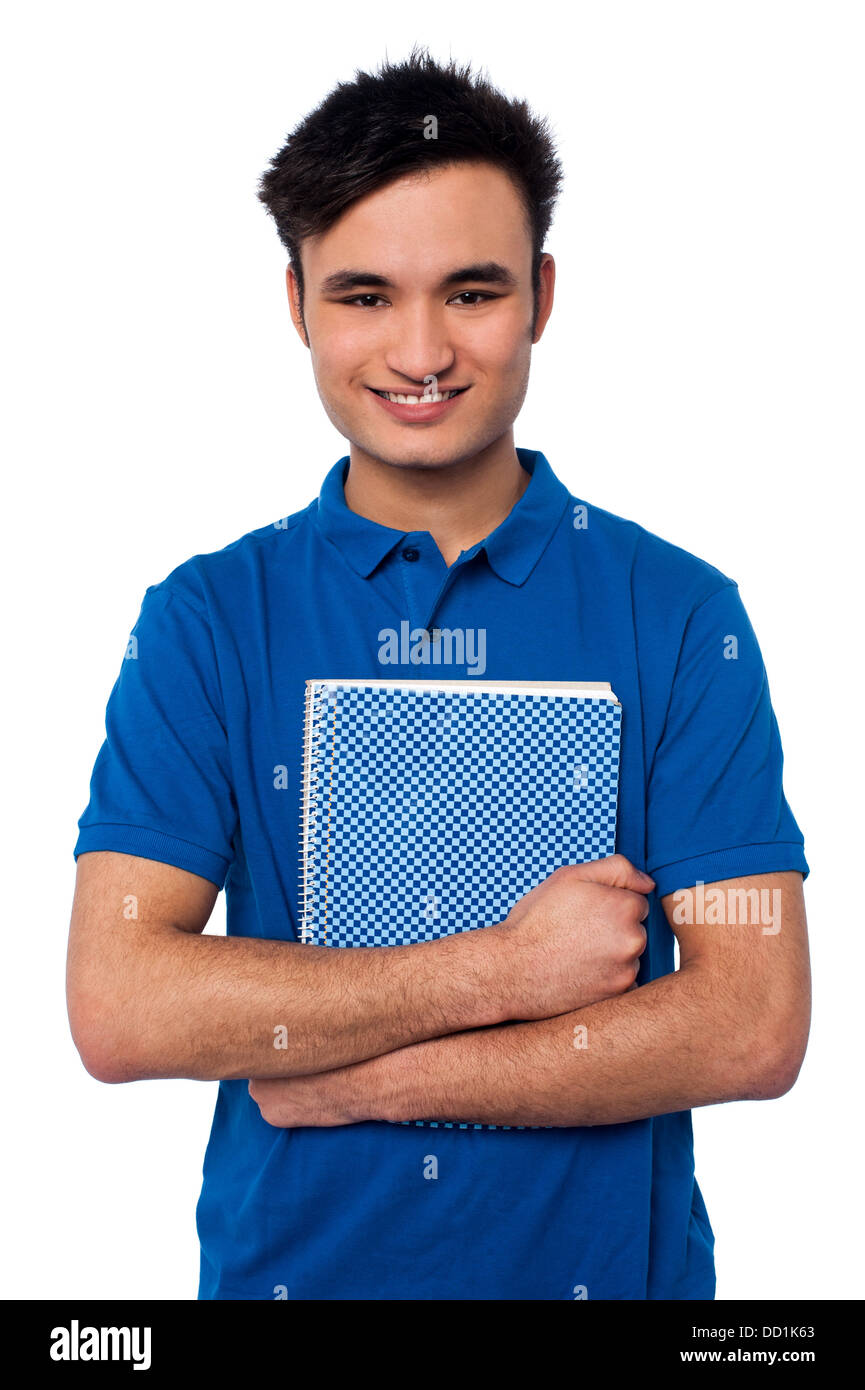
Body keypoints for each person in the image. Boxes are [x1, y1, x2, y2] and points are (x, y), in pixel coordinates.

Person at [67, 48, 811, 1301]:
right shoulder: (206, 621)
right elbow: (121, 998)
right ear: (297, 303)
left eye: (470, 291)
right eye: (365, 294)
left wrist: (357, 1077)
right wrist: (503, 970)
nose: (421, 352)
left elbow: (751, 1022)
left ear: (542, 295)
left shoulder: (682, 616)